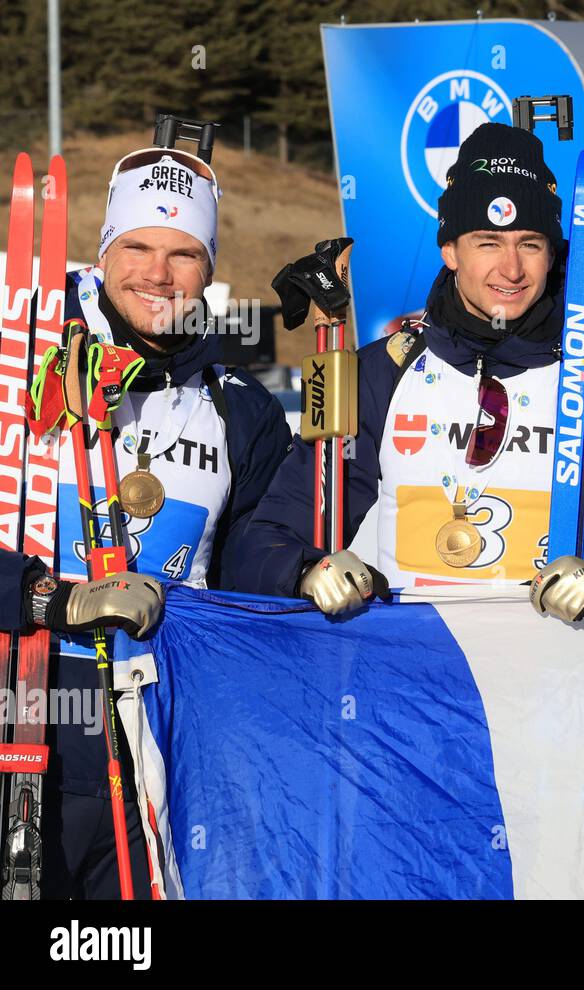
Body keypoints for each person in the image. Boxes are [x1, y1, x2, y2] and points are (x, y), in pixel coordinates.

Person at [235, 122, 584, 621]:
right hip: (410, 677)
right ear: (450, 249)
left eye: (531, 243)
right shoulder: (380, 372)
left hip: (561, 675)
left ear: (555, 251)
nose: (511, 269)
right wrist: (304, 573)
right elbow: (266, 543)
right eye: (488, 242)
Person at [0, 140, 292, 898]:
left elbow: (258, 577)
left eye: (184, 254)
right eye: (136, 246)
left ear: (210, 266)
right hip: (22, 721)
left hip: (159, 745)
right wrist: (47, 598)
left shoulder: (243, 410)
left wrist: (310, 567)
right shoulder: (18, 363)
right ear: (103, 251)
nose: (158, 274)